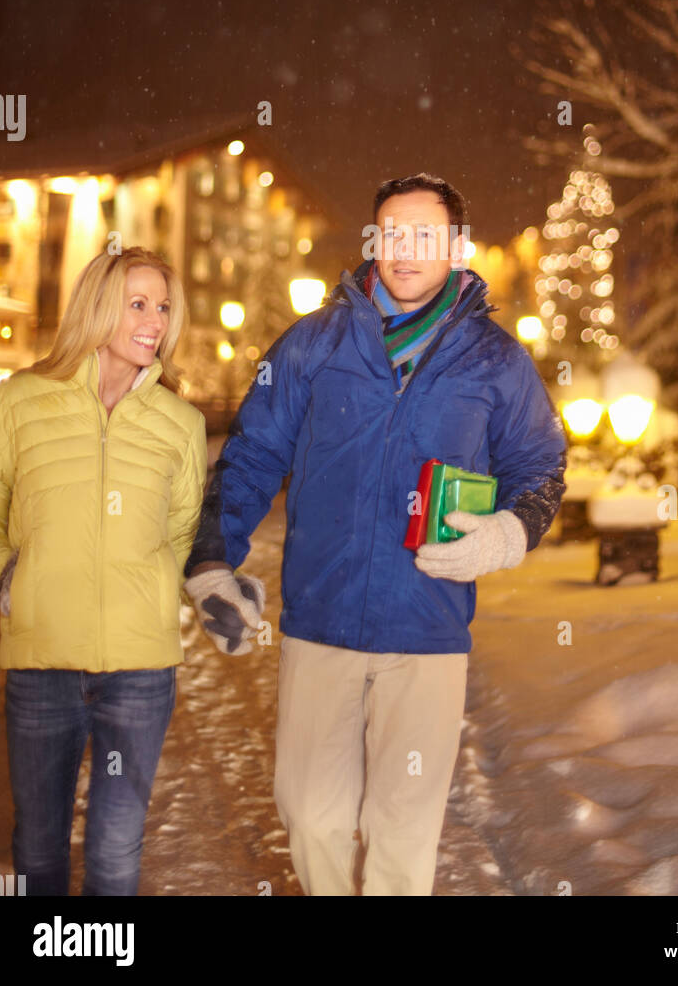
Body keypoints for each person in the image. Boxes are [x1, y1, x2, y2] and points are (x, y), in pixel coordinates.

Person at [184, 174, 567, 896]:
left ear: (456, 246)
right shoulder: (312, 345)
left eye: (425, 233)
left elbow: (541, 465)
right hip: (319, 623)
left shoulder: (497, 361)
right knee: (311, 814)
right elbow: (251, 456)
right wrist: (212, 562)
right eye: (392, 232)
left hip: (427, 628)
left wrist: (508, 534)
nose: (405, 249)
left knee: (403, 828)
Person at [0, 246, 258, 896]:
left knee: (114, 852)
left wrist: (211, 585)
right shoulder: (19, 403)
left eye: (163, 307)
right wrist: (4, 578)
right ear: (97, 307)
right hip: (42, 662)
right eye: (138, 304)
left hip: (140, 671)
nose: (155, 320)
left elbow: (180, 536)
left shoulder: (180, 424)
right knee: (38, 847)